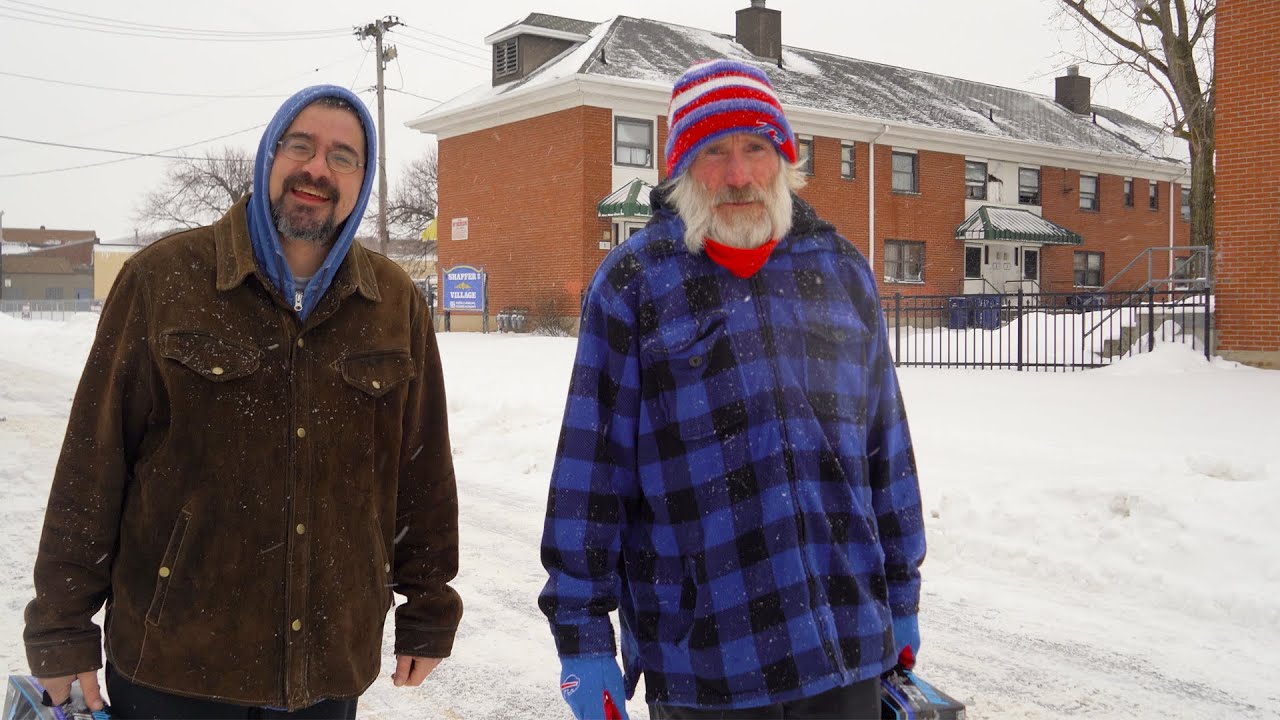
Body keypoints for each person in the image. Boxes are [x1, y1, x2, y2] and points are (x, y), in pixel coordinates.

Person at [23, 85, 462, 719]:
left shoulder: (392, 300)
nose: (317, 168)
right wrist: (62, 627)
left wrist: (428, 605)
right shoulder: (164, 278)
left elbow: (422, 469)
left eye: (343, 156)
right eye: (300, 145)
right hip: (175, 661)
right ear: (268, 155)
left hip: (327, 663)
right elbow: (93, 461)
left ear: (362, 180)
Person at [540, 59, 926, 720]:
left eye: (755, 149)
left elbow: (885, 451)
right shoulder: (635, 283)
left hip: (847, 640)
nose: (739, 175)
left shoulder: (840, 270)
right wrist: (582, 638)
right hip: (708, 656)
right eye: (714, 153)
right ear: (683, 166)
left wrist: (902, 594)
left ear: (783, 158)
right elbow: (591, 475)